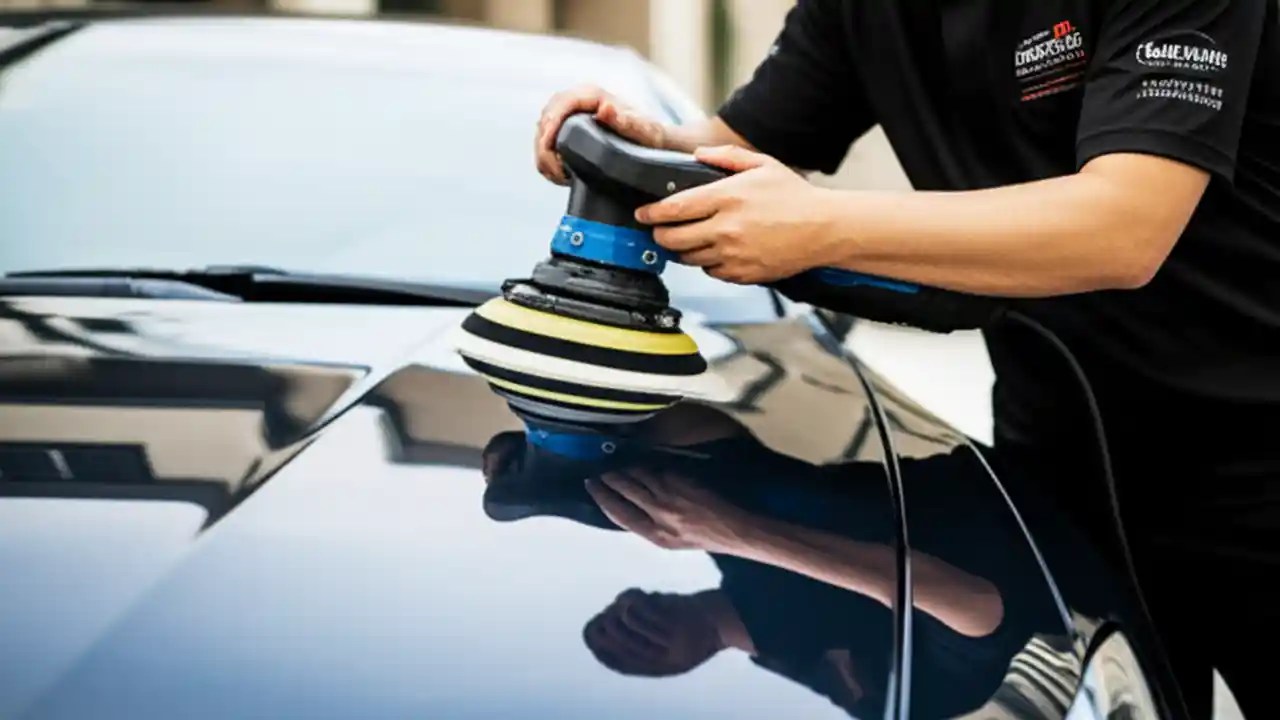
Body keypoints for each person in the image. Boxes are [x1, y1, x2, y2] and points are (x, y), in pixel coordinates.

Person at [533, 2, 1279, 716]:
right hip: (1060, 463)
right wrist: (640, 149)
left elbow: (1126, 227)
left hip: (1257, 463)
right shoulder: (858, 11)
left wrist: (823, 226)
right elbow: (737, 148)